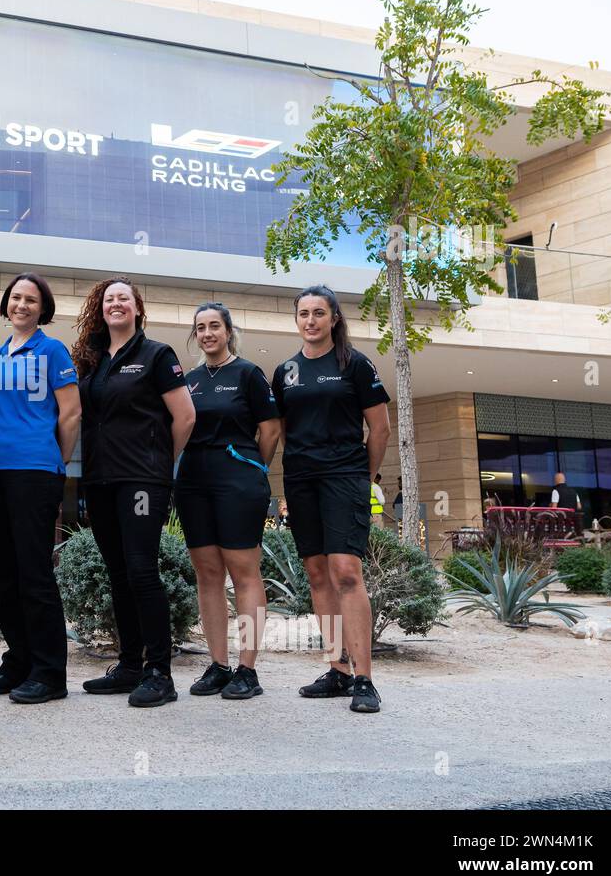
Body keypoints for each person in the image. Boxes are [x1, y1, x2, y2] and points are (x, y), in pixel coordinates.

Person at [74, 278, 195, 708]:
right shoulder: (92, 360)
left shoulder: (157, 355)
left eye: (124, 297)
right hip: (100, 479)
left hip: (143, 480)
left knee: (142, 570)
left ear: (137, 308)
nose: (116, 304)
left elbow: (185, 416)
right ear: (100, 310)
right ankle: (128, 666)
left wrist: (159, 463)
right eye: (109, 299)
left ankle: (159, 673)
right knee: (118, 573)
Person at [271, 285, 390, 714]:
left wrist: (364, 475)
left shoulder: (355, 365)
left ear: (334, 318)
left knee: (345, 572)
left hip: (345, 477)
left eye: (318, 313)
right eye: (303, 313)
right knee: (318, 574)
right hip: (302, 480)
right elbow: (282, 430)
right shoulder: (285, 371)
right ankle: (338, 669)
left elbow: (380, 429)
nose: (310, 320)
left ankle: (364, 678)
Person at [0, 273, 81, 704]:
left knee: (34, 572)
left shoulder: (52, 350)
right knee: (6, 573)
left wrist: (55, 461)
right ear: (7, 304)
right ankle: (18, 661)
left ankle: (50, 673)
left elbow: (70, 413)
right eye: (16, 297)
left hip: (36, 469)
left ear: (42, 308)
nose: (21, 304)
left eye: (31, 299)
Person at [175, 302, 281, 701]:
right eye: (200, 328)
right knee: (206, 573)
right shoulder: (190, 380)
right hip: (193, 481)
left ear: (228, 331)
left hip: (238, 480)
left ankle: (247, 669)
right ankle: (219, 665)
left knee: (243, 571)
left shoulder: (249, 374)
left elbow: (270, 431)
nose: (207, 334)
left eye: (214, 326)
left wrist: (251, 467)